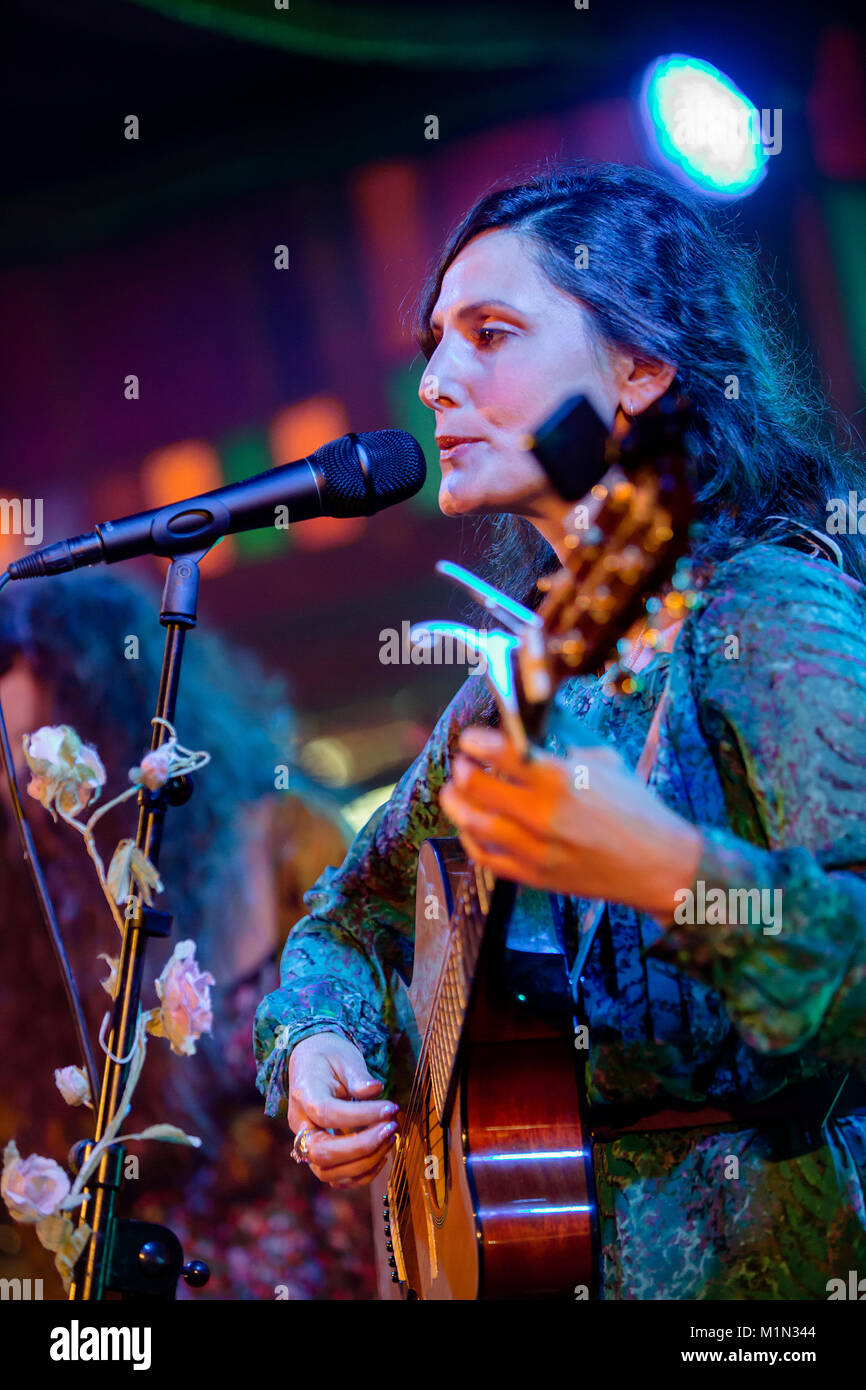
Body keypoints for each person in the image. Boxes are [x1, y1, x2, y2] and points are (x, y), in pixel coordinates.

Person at [254, 161, 866, 1299]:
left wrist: (673, 874)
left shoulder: (763, 615)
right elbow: (345, 913)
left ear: (638, 369)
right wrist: (318, 1047)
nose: (433, 380)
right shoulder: (516, 681)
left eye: (490, 332)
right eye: (436, 341)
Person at [0, 568, 377, 1299]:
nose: (36, 803)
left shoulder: (285, 844)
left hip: (354, 1256)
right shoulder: (46, 927)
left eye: (44, 764)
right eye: (15, 780)